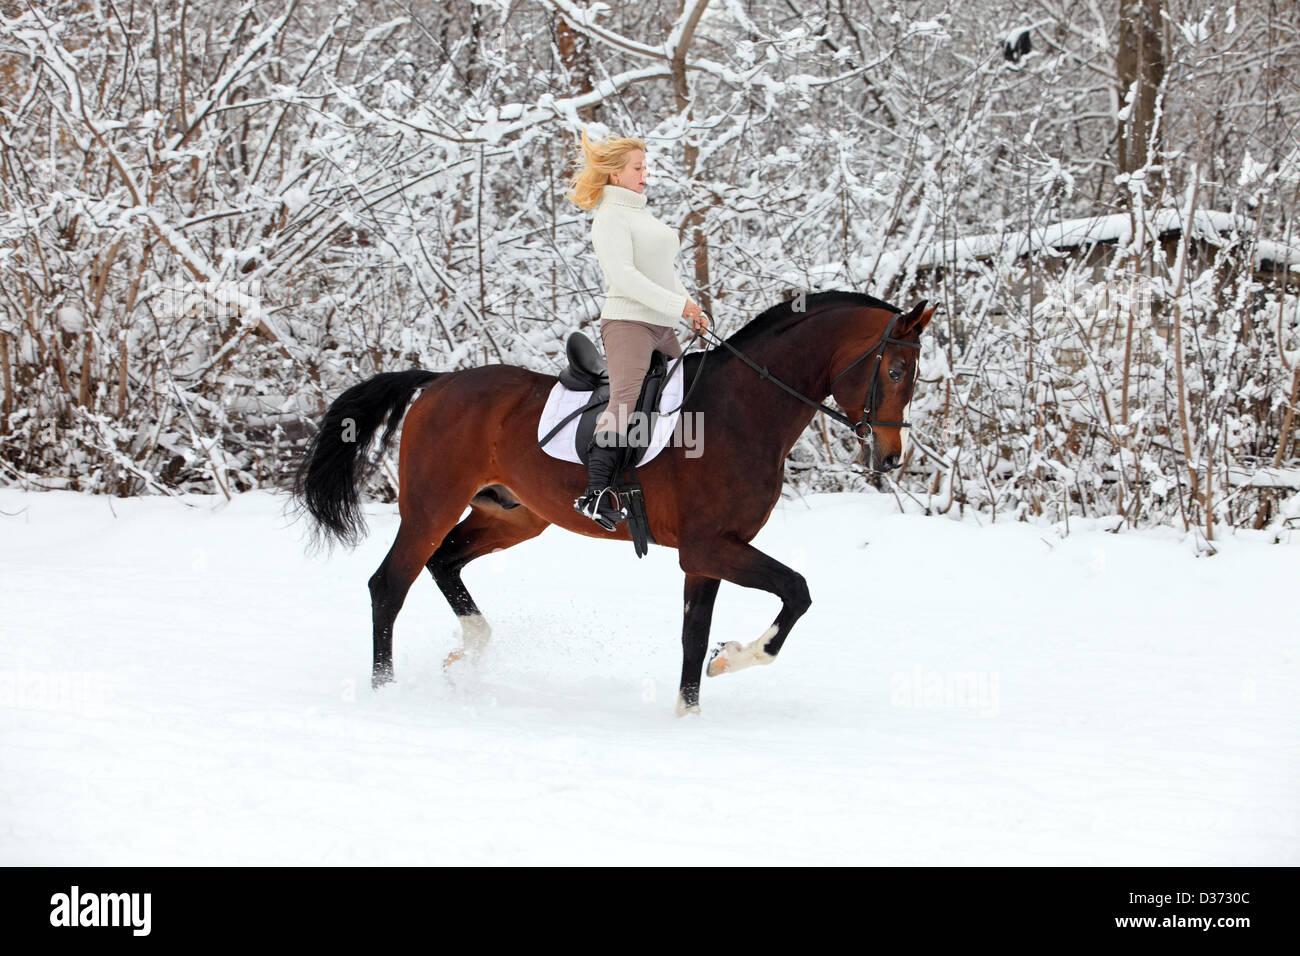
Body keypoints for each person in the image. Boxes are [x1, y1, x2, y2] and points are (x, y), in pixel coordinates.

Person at [564, 130, 710, 530]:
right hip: (628, 321)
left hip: (662, 324)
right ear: (615, 174)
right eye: (637, 167)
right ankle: (594, 495)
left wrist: (689, 307)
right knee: (625, 402)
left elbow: (664, 274)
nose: (645, 173)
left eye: (646, 167)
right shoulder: (610, 217)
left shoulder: (641, 214)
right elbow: (624, 277)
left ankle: (682, 476)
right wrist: (676, 305)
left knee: (687, 395)